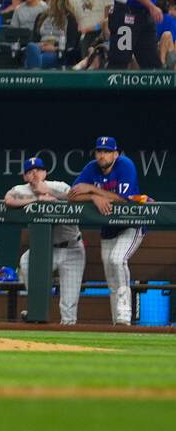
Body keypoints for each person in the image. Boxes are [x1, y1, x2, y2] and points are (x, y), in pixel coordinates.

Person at [69, 137, 144, 325]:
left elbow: (124, 199)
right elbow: (72, 195)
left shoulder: (125, 165)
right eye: (99, 151)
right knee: (111, 279)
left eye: (107, 151)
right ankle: (117, 323)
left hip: (131, 225)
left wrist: (92, 189)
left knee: (117, 259)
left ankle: (125, 314)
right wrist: (93, 197)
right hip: (109, 229)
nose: (102, 155)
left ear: (116, 154)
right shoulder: (91, 168)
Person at [5, 157, 84, 326]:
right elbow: (8, 199)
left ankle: (67, 337)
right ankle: (36, 307)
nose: (34, 173)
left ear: (45, 173)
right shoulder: (22, 189)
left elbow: (76, 198)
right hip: (47, 249)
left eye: (38, 170)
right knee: (26, 261)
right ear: (25, 177)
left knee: (69, 307)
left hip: (72, 248)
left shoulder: (59, 186)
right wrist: (36, 201)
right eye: (30, 171)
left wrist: (52, 194)